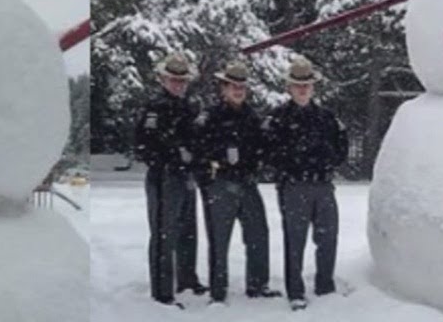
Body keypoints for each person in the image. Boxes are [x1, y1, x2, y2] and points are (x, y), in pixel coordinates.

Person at [263, 55, 349, 311]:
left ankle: (325, 284)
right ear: (289, 88)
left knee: (328, 237)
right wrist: (295, 163)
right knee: (295, 239)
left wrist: (326, 162)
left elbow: (341, 146)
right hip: (294, 187)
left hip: (323, 186)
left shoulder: (326, 117)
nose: (302, 89)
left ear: (313, 87)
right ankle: (295, 290)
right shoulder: (278, 118)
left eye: (307, 85)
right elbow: (269, 152)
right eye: (297, 85)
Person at [194, 59, 281, 305]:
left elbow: (262, 148)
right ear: (223, 88)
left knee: (258, 233)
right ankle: (218, 292)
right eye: (233, 86)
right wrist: (208, 178)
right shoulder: (210, 116)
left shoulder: (252, 117)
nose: (238, 90)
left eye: (242, 86)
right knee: (219, 239)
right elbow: (198, 149)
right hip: (220, 182)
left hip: (247, 182)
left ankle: (257, 285)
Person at [134, 51, 207, 308]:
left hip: (186, 176)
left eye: (182, 80)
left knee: (188, 231)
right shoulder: (154, 108)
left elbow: (197, 140)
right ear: (163, 80)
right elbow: (143, 146)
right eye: (173, 80)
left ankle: (187, 279)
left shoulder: (190, 106)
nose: (178, 84)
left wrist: (195, 157)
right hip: (164, 177)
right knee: (164, 234)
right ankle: (162, 292)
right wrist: (173, 154)